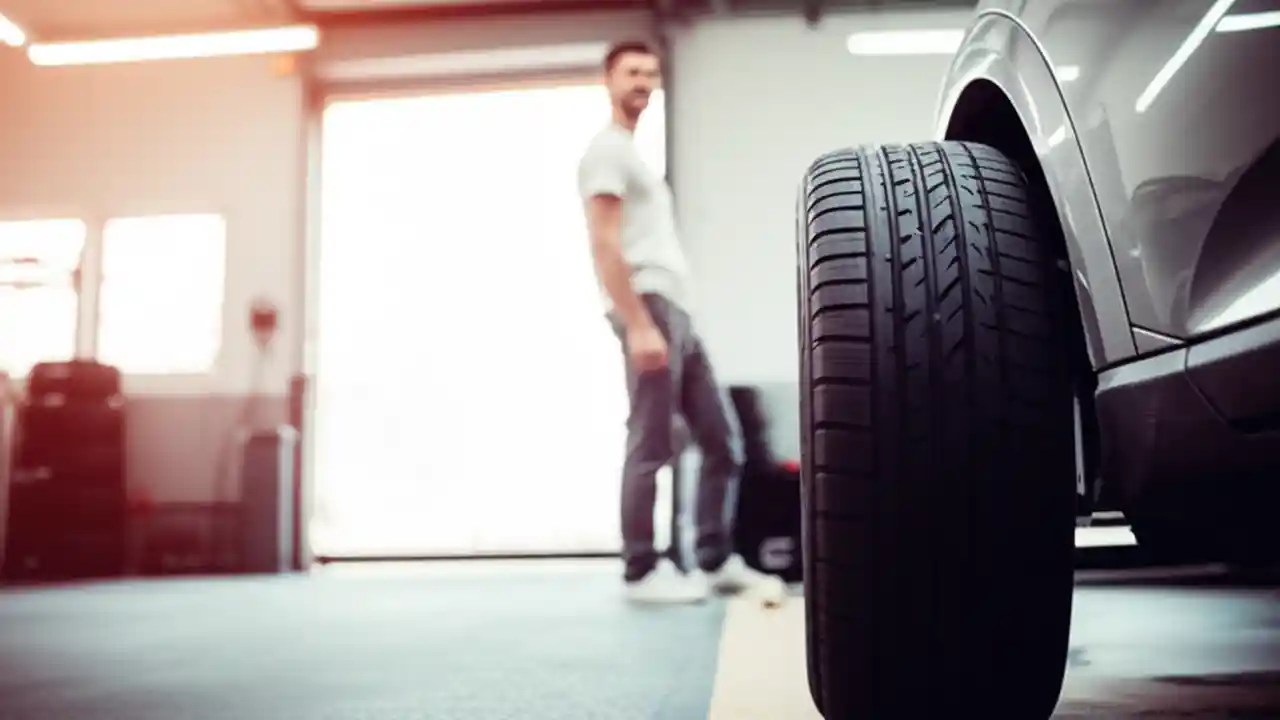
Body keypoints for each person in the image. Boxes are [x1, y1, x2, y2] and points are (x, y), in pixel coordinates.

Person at [578, 40, 783, 604]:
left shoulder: (633, 155)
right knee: (650, 441)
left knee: (722, 440)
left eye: (650, 72)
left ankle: (715, 561)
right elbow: (604, 244)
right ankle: (640, 572)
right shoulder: (607, 153)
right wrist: (638, 322)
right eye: (631, 72)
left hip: (677, 310)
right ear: (609, 80)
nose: (643, 80)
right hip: (648, 304)